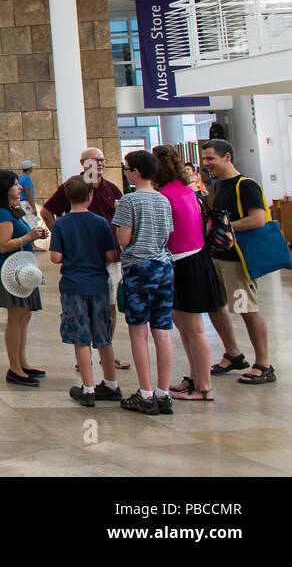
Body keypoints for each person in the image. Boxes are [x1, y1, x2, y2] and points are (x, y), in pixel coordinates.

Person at [40, 146, 129, 371]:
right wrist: (60, 235)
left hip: (109, 257)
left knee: (108, 305)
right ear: (83, 163)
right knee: (81, 309)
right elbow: (47, 211)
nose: (100, 164)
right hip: (81, 261)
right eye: (95, 160)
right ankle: (84, 354)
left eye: (102, 160)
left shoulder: (112, 189)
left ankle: (105, 351)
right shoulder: (75, 186)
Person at [201, 139, 276, 385]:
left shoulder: (247, 185)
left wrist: (224, 228)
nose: (206, 163)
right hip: (218, 256)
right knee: (214, 305)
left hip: (238, 259)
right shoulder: (218, 185)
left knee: (246, 309)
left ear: (227, 157)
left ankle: (263, 364)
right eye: (205, 158)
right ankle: (232, 353)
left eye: (211, 158)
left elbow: (258, 220)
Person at [152, 146, 223, 402]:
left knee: (193, 328)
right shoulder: (185, 191)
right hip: (193, 260)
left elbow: (165, 233)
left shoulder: (165, 196)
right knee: (184, 327)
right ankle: (194, 377)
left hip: (186, 262)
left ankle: (204, 387)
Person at [112, 150, 176, 415]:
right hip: (164, 266)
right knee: (162, 331)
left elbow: (124, 239)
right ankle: (163, 393)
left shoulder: (129, 200)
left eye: (127, 169)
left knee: (138, 330)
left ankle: (146, 393)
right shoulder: (163, 199)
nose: (126, 173)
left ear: (136, 172)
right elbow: (167, 233)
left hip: (140, 268)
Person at [48, 175, 120, 406]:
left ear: (67, 198)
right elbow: (111, 255)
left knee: (81, 338)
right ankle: (111, 384)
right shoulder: (101, 223)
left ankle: (88, 388)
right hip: (98, 285)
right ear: (90, 197)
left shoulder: (61, 224)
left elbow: (55, 257)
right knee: (103, 336)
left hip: (73, 285)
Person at [0, 169, 48, 386]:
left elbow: (20, 234)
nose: (20, 187)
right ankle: (14, 367)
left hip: (23, 269)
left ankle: (22, 362)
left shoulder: (12, 210)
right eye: (15, 184)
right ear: (5, 188)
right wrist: (29, 236)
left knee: (24, 316)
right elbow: (3, 245)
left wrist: (35, 235)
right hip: (10, 270)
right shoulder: (1, 214)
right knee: (15, 317)